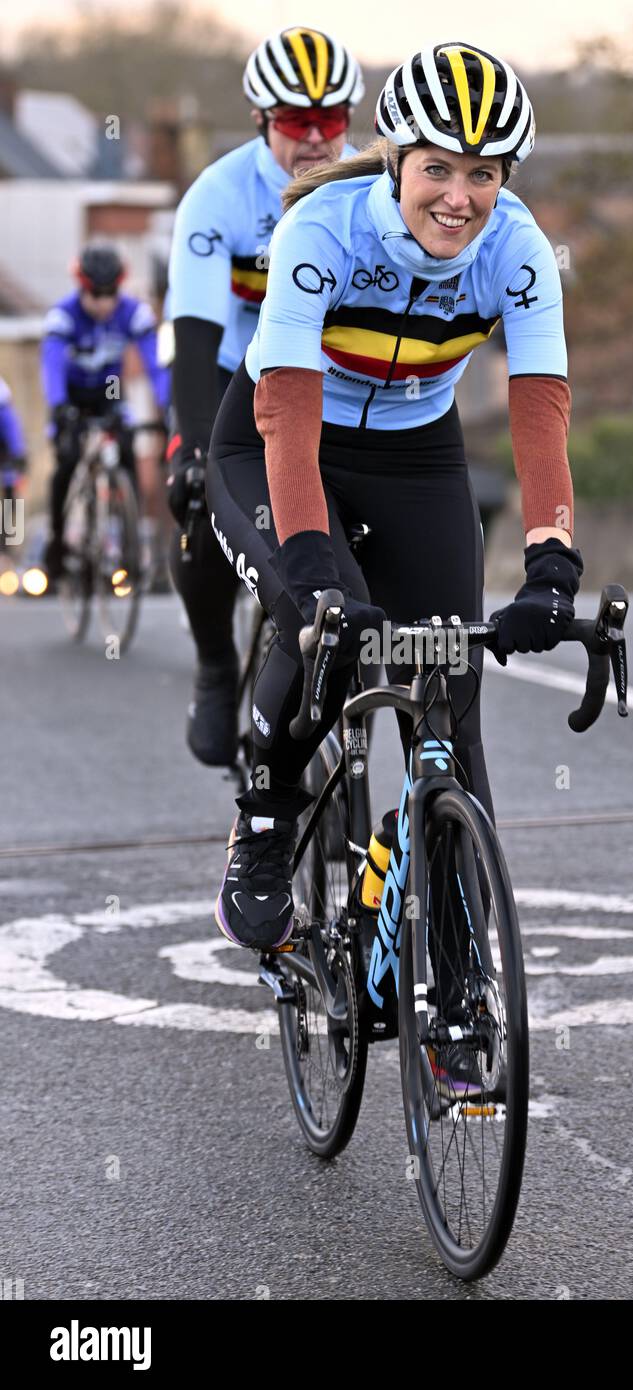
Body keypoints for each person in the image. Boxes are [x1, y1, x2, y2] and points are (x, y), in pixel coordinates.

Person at [206, 41, 583, 961]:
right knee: (317, 620)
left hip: (418, 454)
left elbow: (540, 413)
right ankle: (265, 817)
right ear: (395, 157)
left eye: (483, 174)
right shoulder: (323, 228)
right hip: (277, 444)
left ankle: (459, 992)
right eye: (438, 169)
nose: (459, 196)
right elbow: (285, 406)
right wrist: (307, 563)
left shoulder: (518, 248)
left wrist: (553, 563)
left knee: (453, 695)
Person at [166, 26, 364, 768]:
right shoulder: (216, 197)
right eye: (294, 122)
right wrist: (189, 445)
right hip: (229, 372)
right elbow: (190, 330)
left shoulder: (372, 191)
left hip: (326, 376)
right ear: (260, 122)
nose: (314, 138)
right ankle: (218, 666)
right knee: (200, 507)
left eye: (330, 121)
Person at [41, 244, 170, 581]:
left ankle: (130, 536)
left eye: (110, 293)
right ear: (81, 287)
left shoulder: (133, 313)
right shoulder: (63, 315)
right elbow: (52, 365)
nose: (102, 302)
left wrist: (166, 405)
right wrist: (58, 407)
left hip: (109, 390)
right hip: (70, 396)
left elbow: (154, 363)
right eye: (94, 293)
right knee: (67, 461)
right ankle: (57, 541)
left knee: (127, 450)